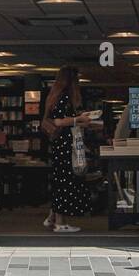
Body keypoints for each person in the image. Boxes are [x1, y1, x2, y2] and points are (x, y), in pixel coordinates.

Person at [40, 66, 94, 233]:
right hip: (64, 145)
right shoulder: (64, 97)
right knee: (65, 181)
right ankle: (60, 222)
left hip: (60, 145)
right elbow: (58, 121)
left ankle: (53, 217)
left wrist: (79, 119)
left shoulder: (55, 96)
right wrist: (79, 119)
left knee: (60, 181)